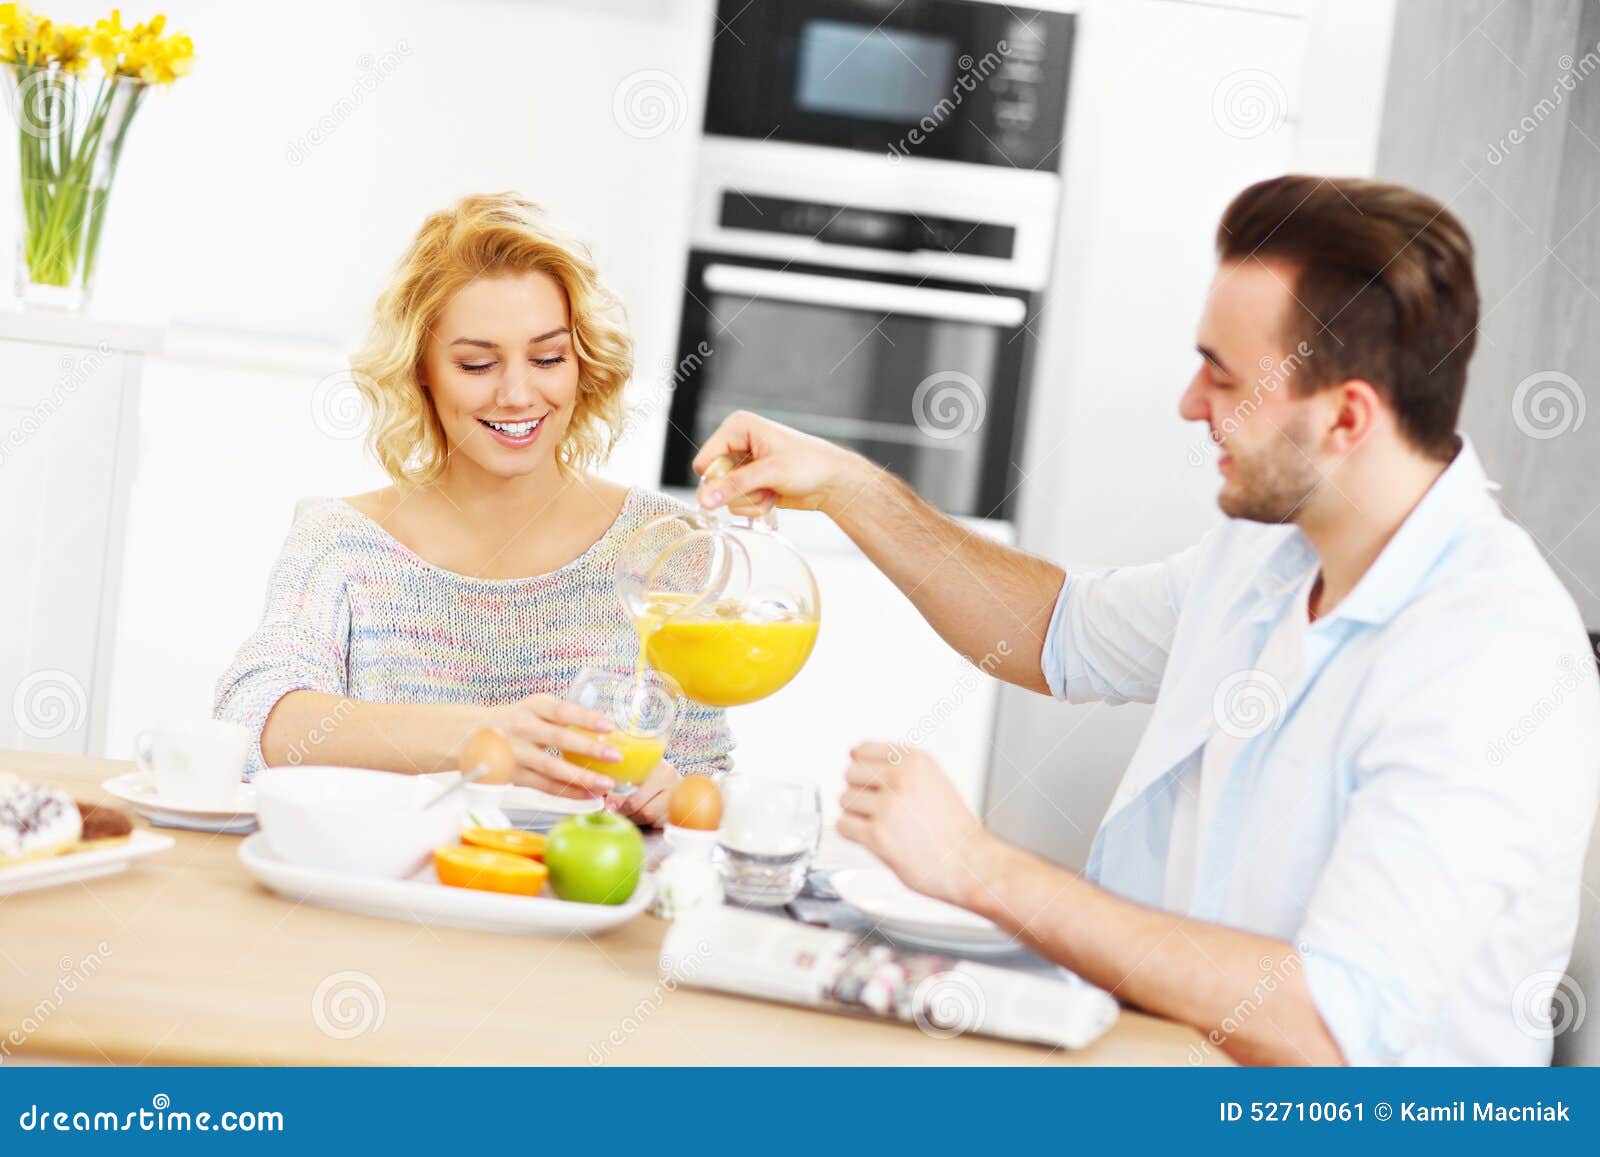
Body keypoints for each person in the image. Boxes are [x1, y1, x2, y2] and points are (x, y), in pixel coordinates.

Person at [694, 175, 1600, 1064]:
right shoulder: (1270, 553)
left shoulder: (1492, 656)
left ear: (1346, 417)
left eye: (1223, 376)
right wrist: (848, 486)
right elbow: (1056, 630)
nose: (1190, 403)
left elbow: (1330, 1025)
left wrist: (975, 866)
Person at [215, 193, 731, 826]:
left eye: (548, 358)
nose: (517, 394)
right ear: (421, 370)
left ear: (582, 362)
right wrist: (480, 738)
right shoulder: (339, 542)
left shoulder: (666, 547)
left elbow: (708, 779)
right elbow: (252, 719)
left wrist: (676, 797)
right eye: (477, 363)